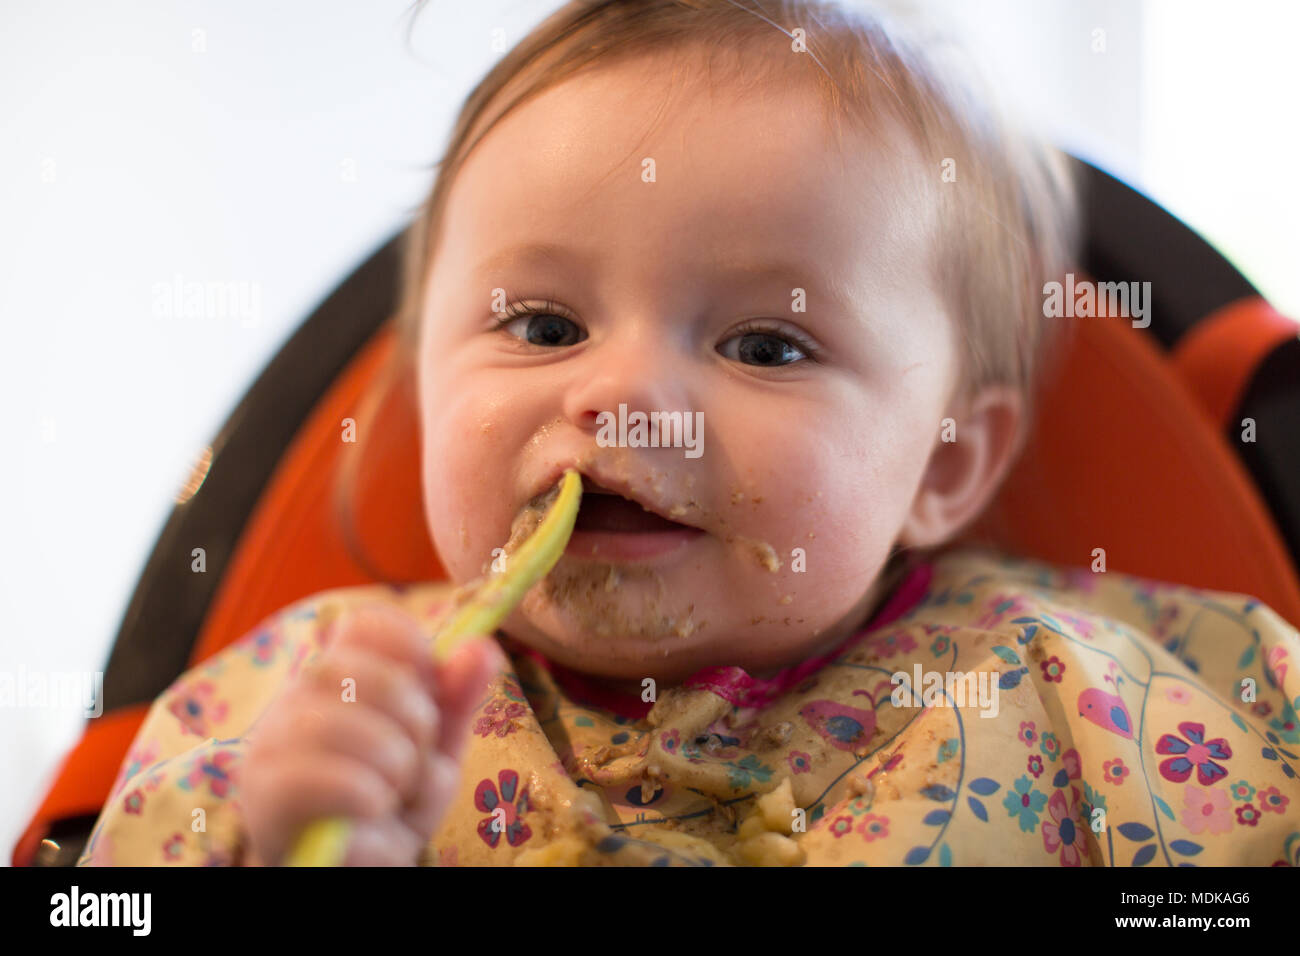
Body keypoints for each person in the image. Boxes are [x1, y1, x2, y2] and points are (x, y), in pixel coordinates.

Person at [78, 0, 1300, 866]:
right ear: (419, 405)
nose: (618, 398)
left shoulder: (1088, 700)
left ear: (940, 464)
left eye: (766, 345)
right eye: (544, 324)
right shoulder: (309, 703)